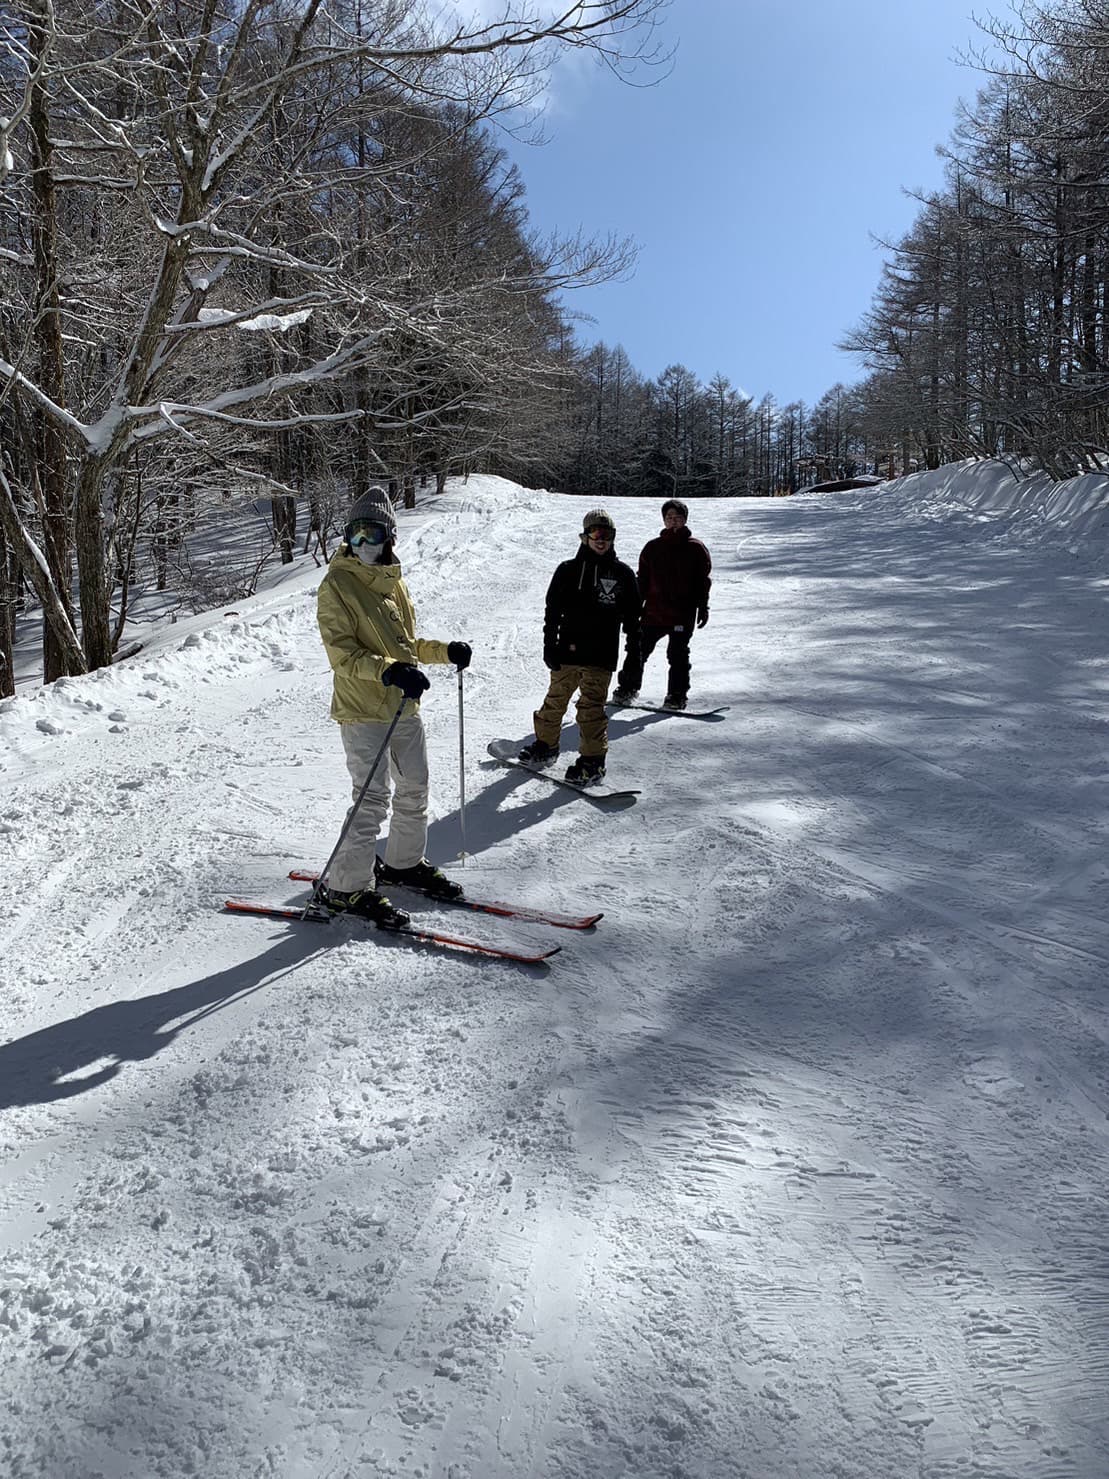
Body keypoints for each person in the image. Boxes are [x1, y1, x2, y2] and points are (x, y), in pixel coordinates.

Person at [315, 486, 472, 926]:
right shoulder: (337, 585)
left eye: (374, 533)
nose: (365, 543)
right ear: (348, 538)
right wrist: (389, 672)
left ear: (390, 538)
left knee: (415, 787)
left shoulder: (393, 582)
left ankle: (403, 864)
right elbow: (341, 654)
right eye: (356, 534)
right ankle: (345, 888)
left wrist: (445, 651)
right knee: (371, 798)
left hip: (403, 706)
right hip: (363, 708)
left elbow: (405, 645)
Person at [519, 509, 639, 783]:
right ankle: (546, 746)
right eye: (596, 534)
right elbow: (552, 612)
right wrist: (550, 645)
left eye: (607, 535)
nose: (602, 540)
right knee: (554, 702)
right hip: (568, 652)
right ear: (585, 536)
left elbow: (633, 620)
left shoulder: (622, 574)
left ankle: (592, 761)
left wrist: (635, 655)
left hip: (601, 655)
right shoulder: (567, 570)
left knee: (591, 710)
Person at [612, 498, 712, 711]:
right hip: (654, 612)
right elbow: (642, 580)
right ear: (664, 520)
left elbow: (703, 581)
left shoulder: (696, 548)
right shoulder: (652, 548)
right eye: (669, 517)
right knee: (637, 649)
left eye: (677, 517)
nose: (673, 521)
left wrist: (703, 606)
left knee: (677, 654)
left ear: (684, 520)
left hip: (682, 614)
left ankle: (676, 696)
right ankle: (627, 689)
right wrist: (635, 606)